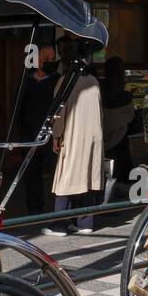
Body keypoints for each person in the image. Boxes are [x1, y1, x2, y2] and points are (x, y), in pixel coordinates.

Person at [44, 55, 103, 237]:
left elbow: (59, 112)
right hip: (94, 137)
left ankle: (59, 225)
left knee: (65, 179)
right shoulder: (93, 81)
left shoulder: (65, 80)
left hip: (74, 135)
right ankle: (85, 223)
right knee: (88, 178)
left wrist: (56, 135)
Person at [17, 45, 61, 216]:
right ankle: (35, 209)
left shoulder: (57, 80)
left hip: (51, 134)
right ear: (37, 61)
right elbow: (19, 107)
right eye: (46, 59)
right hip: (29, 135)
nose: (50, 62)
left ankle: (58, 210)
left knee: (53, 172)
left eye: (52, 59)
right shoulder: (26, 81)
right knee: (31, 174)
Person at [100, 56, 136, 202]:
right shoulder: (124, 90)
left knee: (106, 167)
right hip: (121, 136)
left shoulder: (100, 87)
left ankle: (104, 197)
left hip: (104, 133)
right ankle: (116, 199)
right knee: (120, 168)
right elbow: (130, 114)